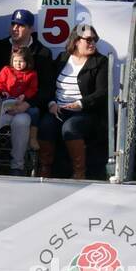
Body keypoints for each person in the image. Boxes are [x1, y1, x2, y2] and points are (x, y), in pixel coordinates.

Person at [39, 22, 110, 179]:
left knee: (70, 127)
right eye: (88, 39)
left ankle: (79, 173)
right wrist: (51, 103)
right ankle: (45, 170)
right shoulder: (63, 58)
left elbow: (102, 92)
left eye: (94, 39)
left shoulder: (100, 62)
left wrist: (79, 104)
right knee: (45, 125)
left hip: (85, 112)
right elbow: (49, 85)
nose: (92, 43)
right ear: (76, 41)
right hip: (59, 109)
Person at [0, 46, 40, 174]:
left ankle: (17, 165)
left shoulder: (31, 74)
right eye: (16, 61)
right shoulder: (6, 70)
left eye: (21, 61)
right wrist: (2, 92)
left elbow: (33, 89)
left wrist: (25, 96)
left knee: (21, 123)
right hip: (4, 107)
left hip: (21, 109)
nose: (18, 64)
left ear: (28, 61)